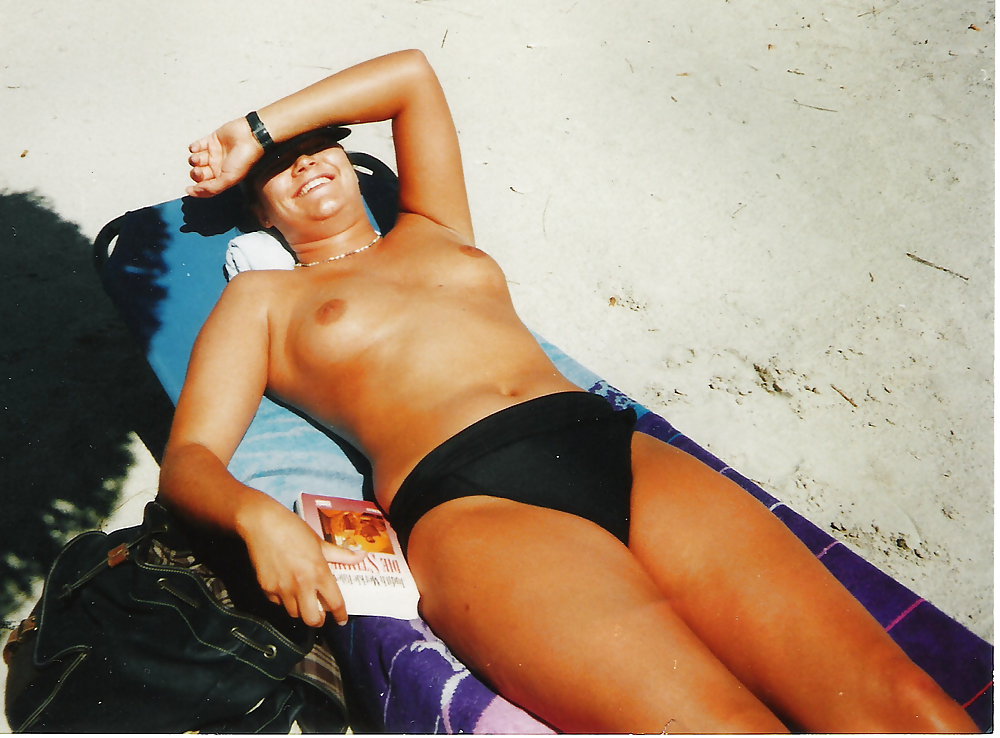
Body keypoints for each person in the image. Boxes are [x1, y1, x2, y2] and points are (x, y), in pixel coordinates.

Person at [161, 49, 977, 733]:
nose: (304, 162)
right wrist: (256, 516)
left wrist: (255, 131)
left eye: (317, 145)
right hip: (472, 505)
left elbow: (411, 76)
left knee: (904, 704)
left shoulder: (433, 224)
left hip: (610, 447)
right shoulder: (263, 301)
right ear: (257, 214)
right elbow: (190, 459)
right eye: (277, 166)